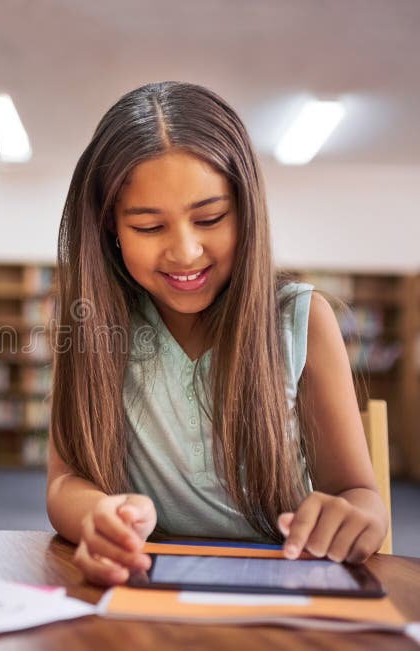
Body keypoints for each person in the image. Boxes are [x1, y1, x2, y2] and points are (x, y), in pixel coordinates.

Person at [46, 81, 388, 586]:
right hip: (147, 582)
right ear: (108, 230)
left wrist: (357, 518)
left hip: (285, 582)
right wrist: (98, 515)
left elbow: (359, 495)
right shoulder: (91, 324)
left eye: (210, 218)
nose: (185, 252)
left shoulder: (303, 319)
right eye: (147, 227)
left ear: (247, 211)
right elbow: (65, 484)